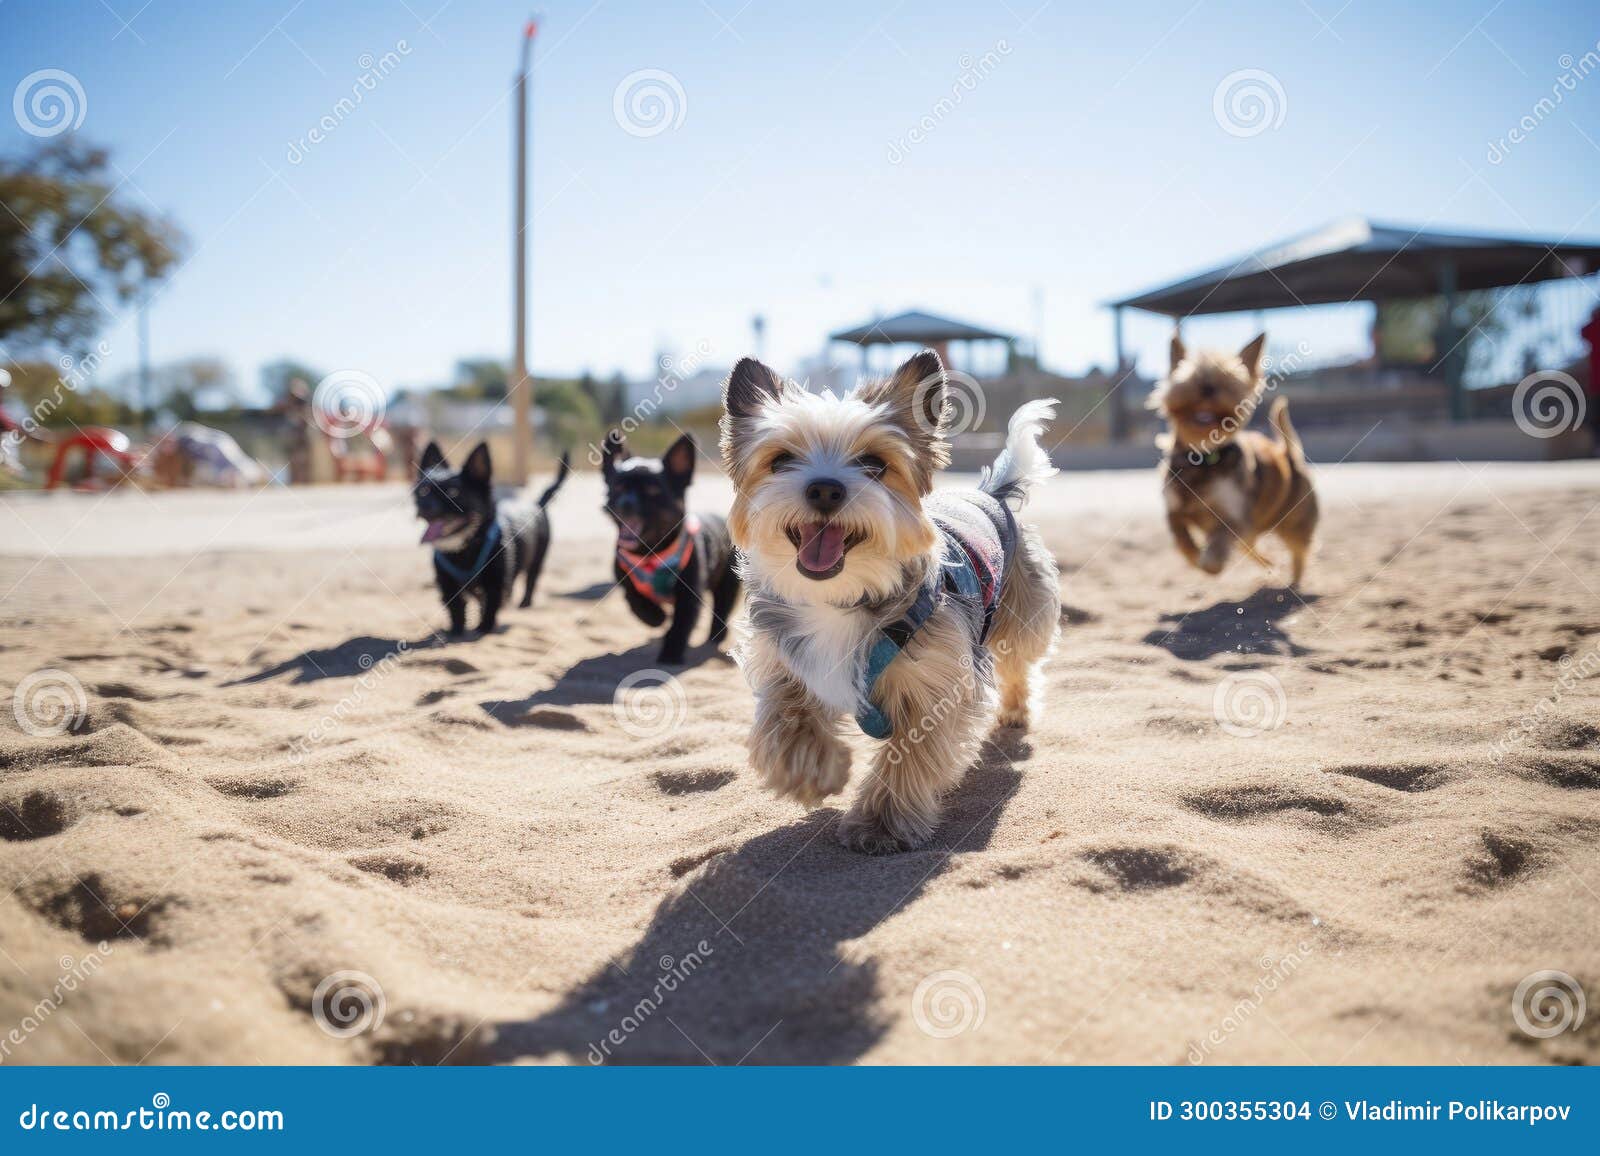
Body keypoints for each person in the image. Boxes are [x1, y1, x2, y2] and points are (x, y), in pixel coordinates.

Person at [1582, 307, 1600, 446]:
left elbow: (1584, 331)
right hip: (1595, 384)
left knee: (1595, 417)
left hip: (1595, 384)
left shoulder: (1592, 328)